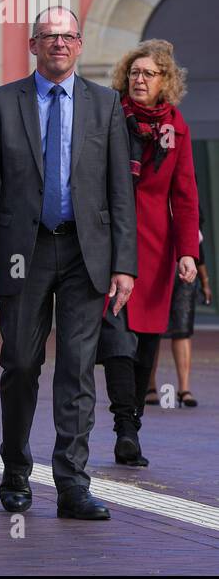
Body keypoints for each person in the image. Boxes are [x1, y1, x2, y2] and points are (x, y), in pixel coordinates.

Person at [0, 7, 136, 521]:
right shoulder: (1, 102)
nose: (58, 44)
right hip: (23, 251)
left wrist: (123, 263)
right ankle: (16, 474)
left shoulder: (105, 104)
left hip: (88, 253)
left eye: (67, 36)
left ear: (79, 45)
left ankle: (72, 484)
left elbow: (120, 190)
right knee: (19, 361)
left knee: (79, 369)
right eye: (48, 36)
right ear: (33, 45)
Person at [95, 41, 199, 466]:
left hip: (156, 251)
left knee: (146, 344)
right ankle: (124, 428)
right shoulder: (108, 117)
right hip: (109, 246)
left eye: (149, 74)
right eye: (134, 73)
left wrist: (188, 252)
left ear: (165, 82)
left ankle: (133, 423)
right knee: (118, 336)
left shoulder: (177, 128)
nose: (139, 79)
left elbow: (186, 195)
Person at [150, 213, 209, 407]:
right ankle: (149, 387)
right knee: (151, 326)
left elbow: (195, 237)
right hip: (153, 263)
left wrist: (205, 280)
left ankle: (184, 389)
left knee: (183, 328)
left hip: (183, 265)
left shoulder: (187, 197)